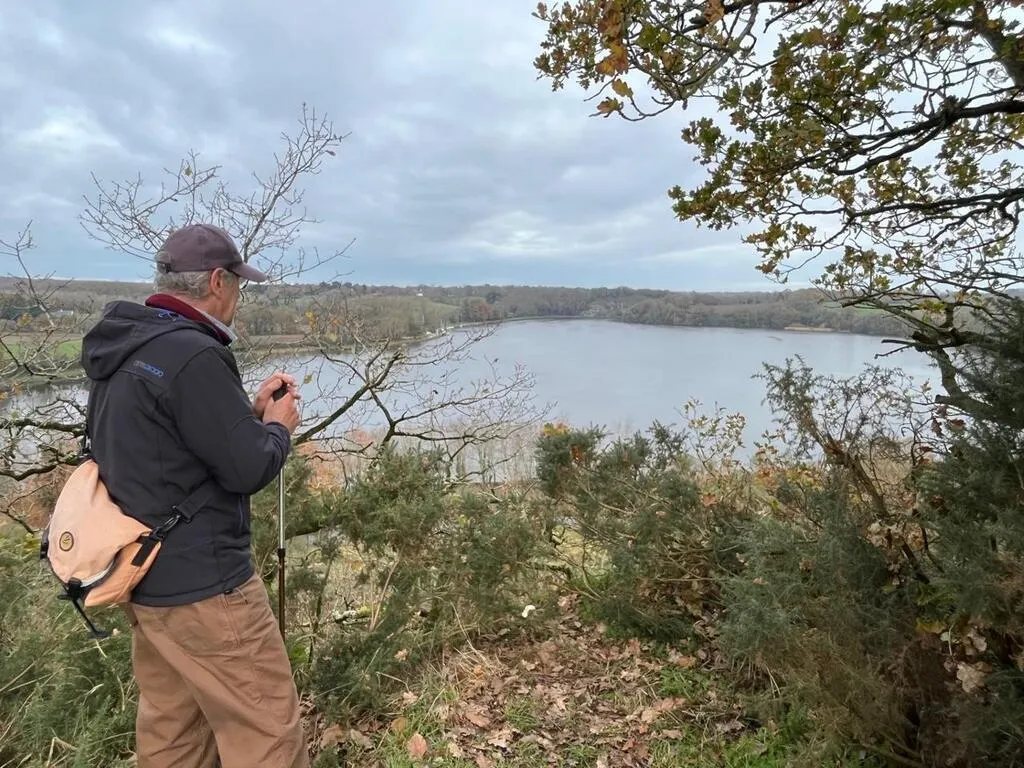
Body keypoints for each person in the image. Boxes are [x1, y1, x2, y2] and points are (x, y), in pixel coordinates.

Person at [79, 223, 309, 768]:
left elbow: (168, 451)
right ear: (216, 282)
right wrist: (277, 428)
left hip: (143, 578)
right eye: (238, 284)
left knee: (174, 732)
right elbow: (247, 467)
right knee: (266, 731)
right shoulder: (193, 355)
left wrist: (246, 417)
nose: (238, 296)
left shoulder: (125, 348)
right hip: (208, 590)